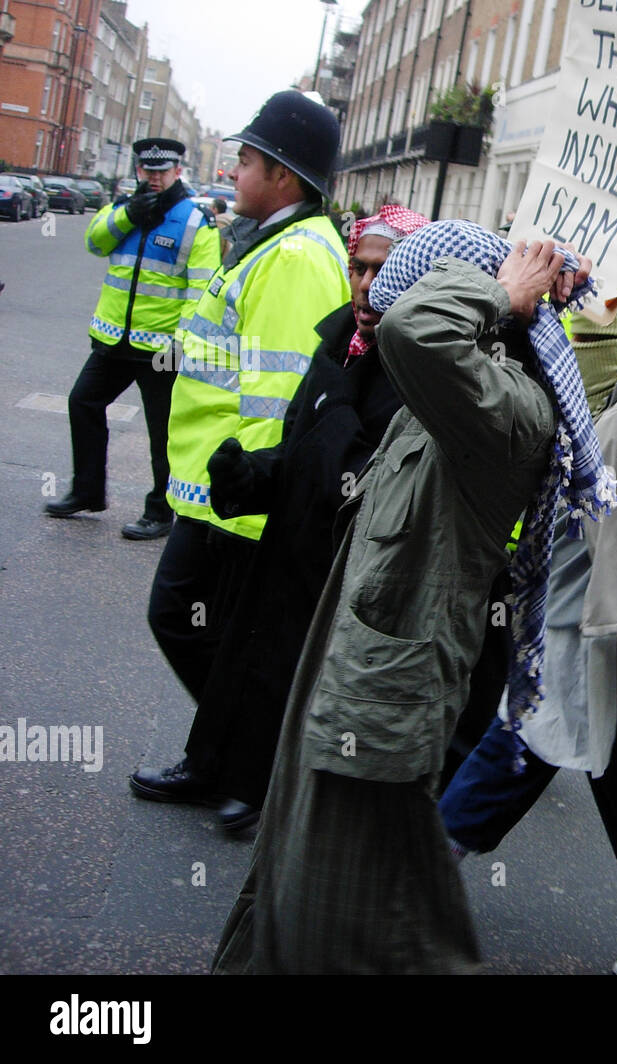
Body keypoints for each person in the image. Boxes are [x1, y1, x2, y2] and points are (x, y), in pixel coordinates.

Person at [212, 225, 606, 973]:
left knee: (358, 930)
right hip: (348, 694)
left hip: (380, 716)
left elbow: (415, 328)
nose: (375, 295)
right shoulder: (454, 397)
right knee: (312, 900)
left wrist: (507, 292)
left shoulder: (510, 410)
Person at [433, 192, 617, 975]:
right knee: (515, 748)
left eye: (600, 310)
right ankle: (417, 881)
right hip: (557, 629)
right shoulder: (550, 397)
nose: (583, 320)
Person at [127, 205, 430, 833]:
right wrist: (249, 476)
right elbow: (300, 450)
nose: (367, 286)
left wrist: (340, 402)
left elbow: (359, 477)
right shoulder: (335, 343)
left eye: (385, 270)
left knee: (290, 667)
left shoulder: (416, 367)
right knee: (242, 646)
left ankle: (259, 785)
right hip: (286, 540)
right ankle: (208, 764)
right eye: (359, 267)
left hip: (342, 561)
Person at [138, 91, 351, 739]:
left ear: (283, 176)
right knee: (215, 631)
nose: (232, 171)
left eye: (247, 160)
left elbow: (279, 394)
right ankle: (227, 760)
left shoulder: (294, 257)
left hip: (233, 499)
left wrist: (251, 512)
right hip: (218, 487)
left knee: (183, 616)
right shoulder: (274, 242)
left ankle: (250, 759)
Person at [46, 138, 220, 539]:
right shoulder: (125, 207)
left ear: (178, 171)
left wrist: (181, 342)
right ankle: (87, 491)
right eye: (147, 171)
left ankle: (160, 512)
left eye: (162, 171)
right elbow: (94, 243)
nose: (154, 178)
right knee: (83, 401)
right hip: (113, 339)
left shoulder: (196, 220)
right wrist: (127, 216)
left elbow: (201, 288)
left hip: (160, 348)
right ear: (139, 170)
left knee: (163, 430)